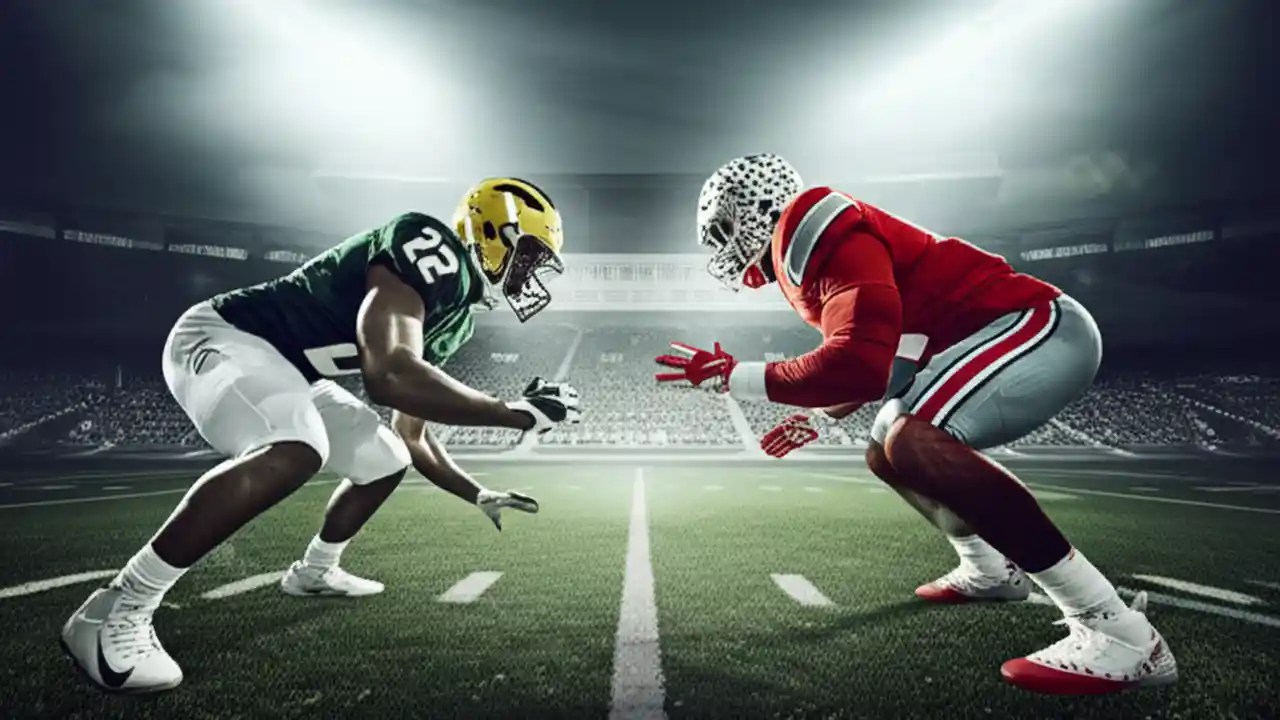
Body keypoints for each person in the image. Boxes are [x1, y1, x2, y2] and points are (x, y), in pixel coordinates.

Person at [656, 154, 1176, 694]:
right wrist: (815, 415)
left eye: (723, 227)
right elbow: (888, 362)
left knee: (913, 441)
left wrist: (733, 376)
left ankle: (1117, 629)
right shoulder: (810, 259)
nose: (720, 245)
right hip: (984, 337)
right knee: (883, 450)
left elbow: (859, 362)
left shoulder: (817, 228)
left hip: (1034, 323)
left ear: (759, 205)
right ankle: (989, 570)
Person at [62, 178, 581, 693]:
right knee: (298, 447)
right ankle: (119, 607)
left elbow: (413, 432)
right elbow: (390, 374)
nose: (530, 273)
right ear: (494, 230)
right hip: (229, 336)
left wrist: (476, 491)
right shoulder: (431, 245)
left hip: (291, 372)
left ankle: (314, 571)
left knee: (386, 457)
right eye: (530, 254)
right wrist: (512, 413)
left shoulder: (457, 319)